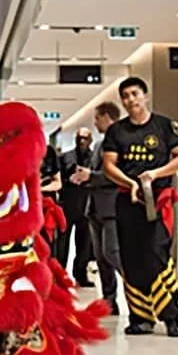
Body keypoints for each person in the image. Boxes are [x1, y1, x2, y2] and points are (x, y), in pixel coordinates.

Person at [102, 77, 178, 337]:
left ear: (145, 96)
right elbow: (109, 166)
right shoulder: (116, 131)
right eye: (125, 96)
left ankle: (171, 315)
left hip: (159, 200)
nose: (131, 100)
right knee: (132, 257)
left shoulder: (164, 126)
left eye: (135, 94)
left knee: (158, 254)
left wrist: (155, 174)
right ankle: (140, 316)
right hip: (128, 200)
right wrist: (132, 183)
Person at [72, 101, 123, 316]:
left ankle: (140, 291)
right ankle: (109, 299)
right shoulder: (102, 144)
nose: (94, 123)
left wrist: (91, 176)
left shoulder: (119, 143)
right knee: (101, 257)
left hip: (111, 207)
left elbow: (116, 176)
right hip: (94, 208)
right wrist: (86, 177)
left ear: (106, 117)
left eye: (97, 118)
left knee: (112, 253)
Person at [59, 127, 94, 286]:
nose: (82, 141)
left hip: (86, 205)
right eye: (79, 138)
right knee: (62, 245)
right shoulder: (66, 156)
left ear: (90, 140)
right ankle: (60, 276)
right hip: (67, 205)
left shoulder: (94, 158)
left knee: (84, 244)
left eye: (85, 138)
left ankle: (81, 275)